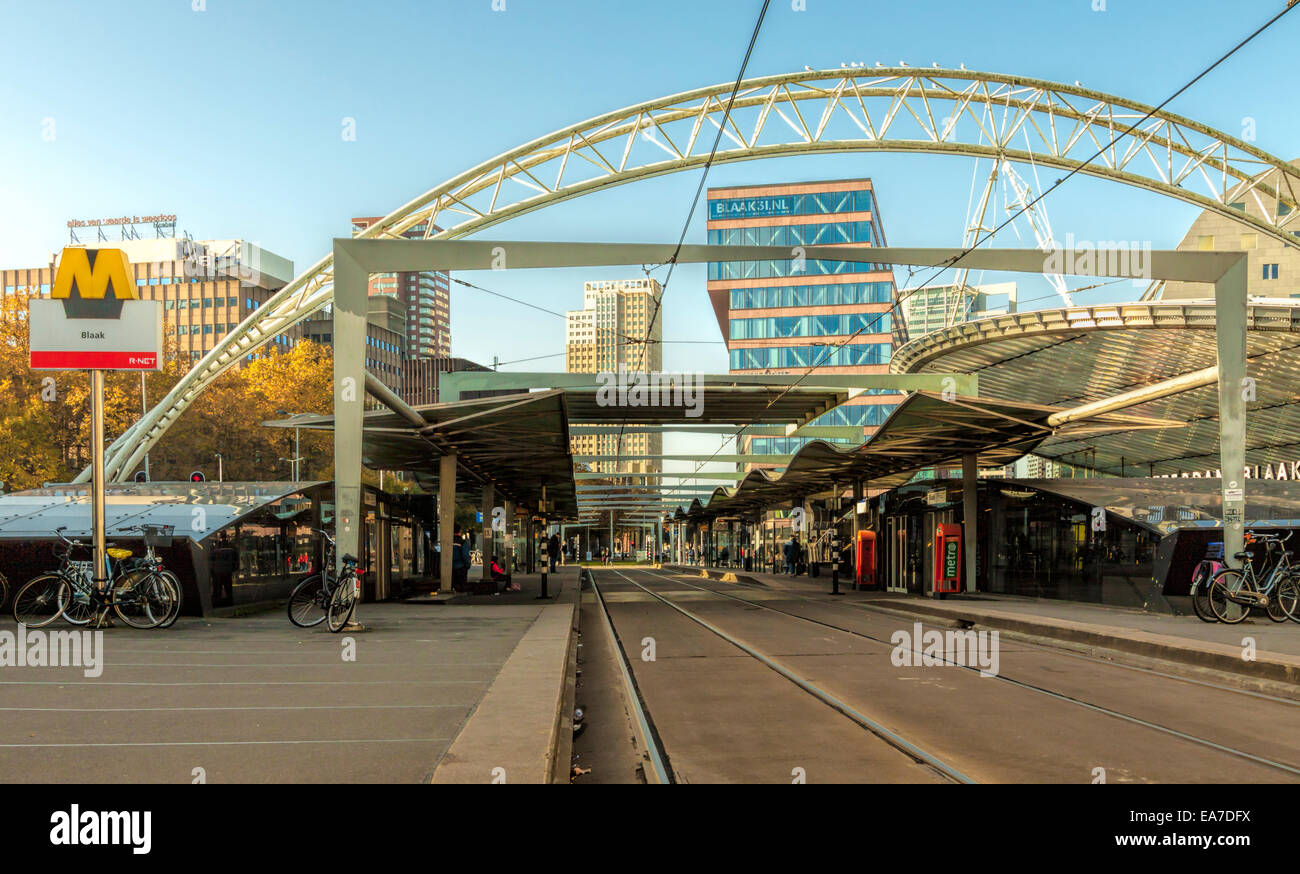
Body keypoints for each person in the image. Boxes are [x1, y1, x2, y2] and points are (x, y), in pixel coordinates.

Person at [210, 533, 237, 607]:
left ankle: (217, 603)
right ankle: (229, 602)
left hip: (217, 571)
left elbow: (211, 558)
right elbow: (235, 558)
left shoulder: (216, 546)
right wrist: (234, 568)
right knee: (228, 588)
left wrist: (212, 570)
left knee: (217, 588)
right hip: (227, 571)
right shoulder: (230, 546)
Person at [452, 525, 471, 591]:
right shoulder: (462, 542)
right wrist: (468, 565)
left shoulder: (447, 542)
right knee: (461, 587)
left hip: (450, 568)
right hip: (461, 567)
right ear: (460, 531)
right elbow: (465, 555)